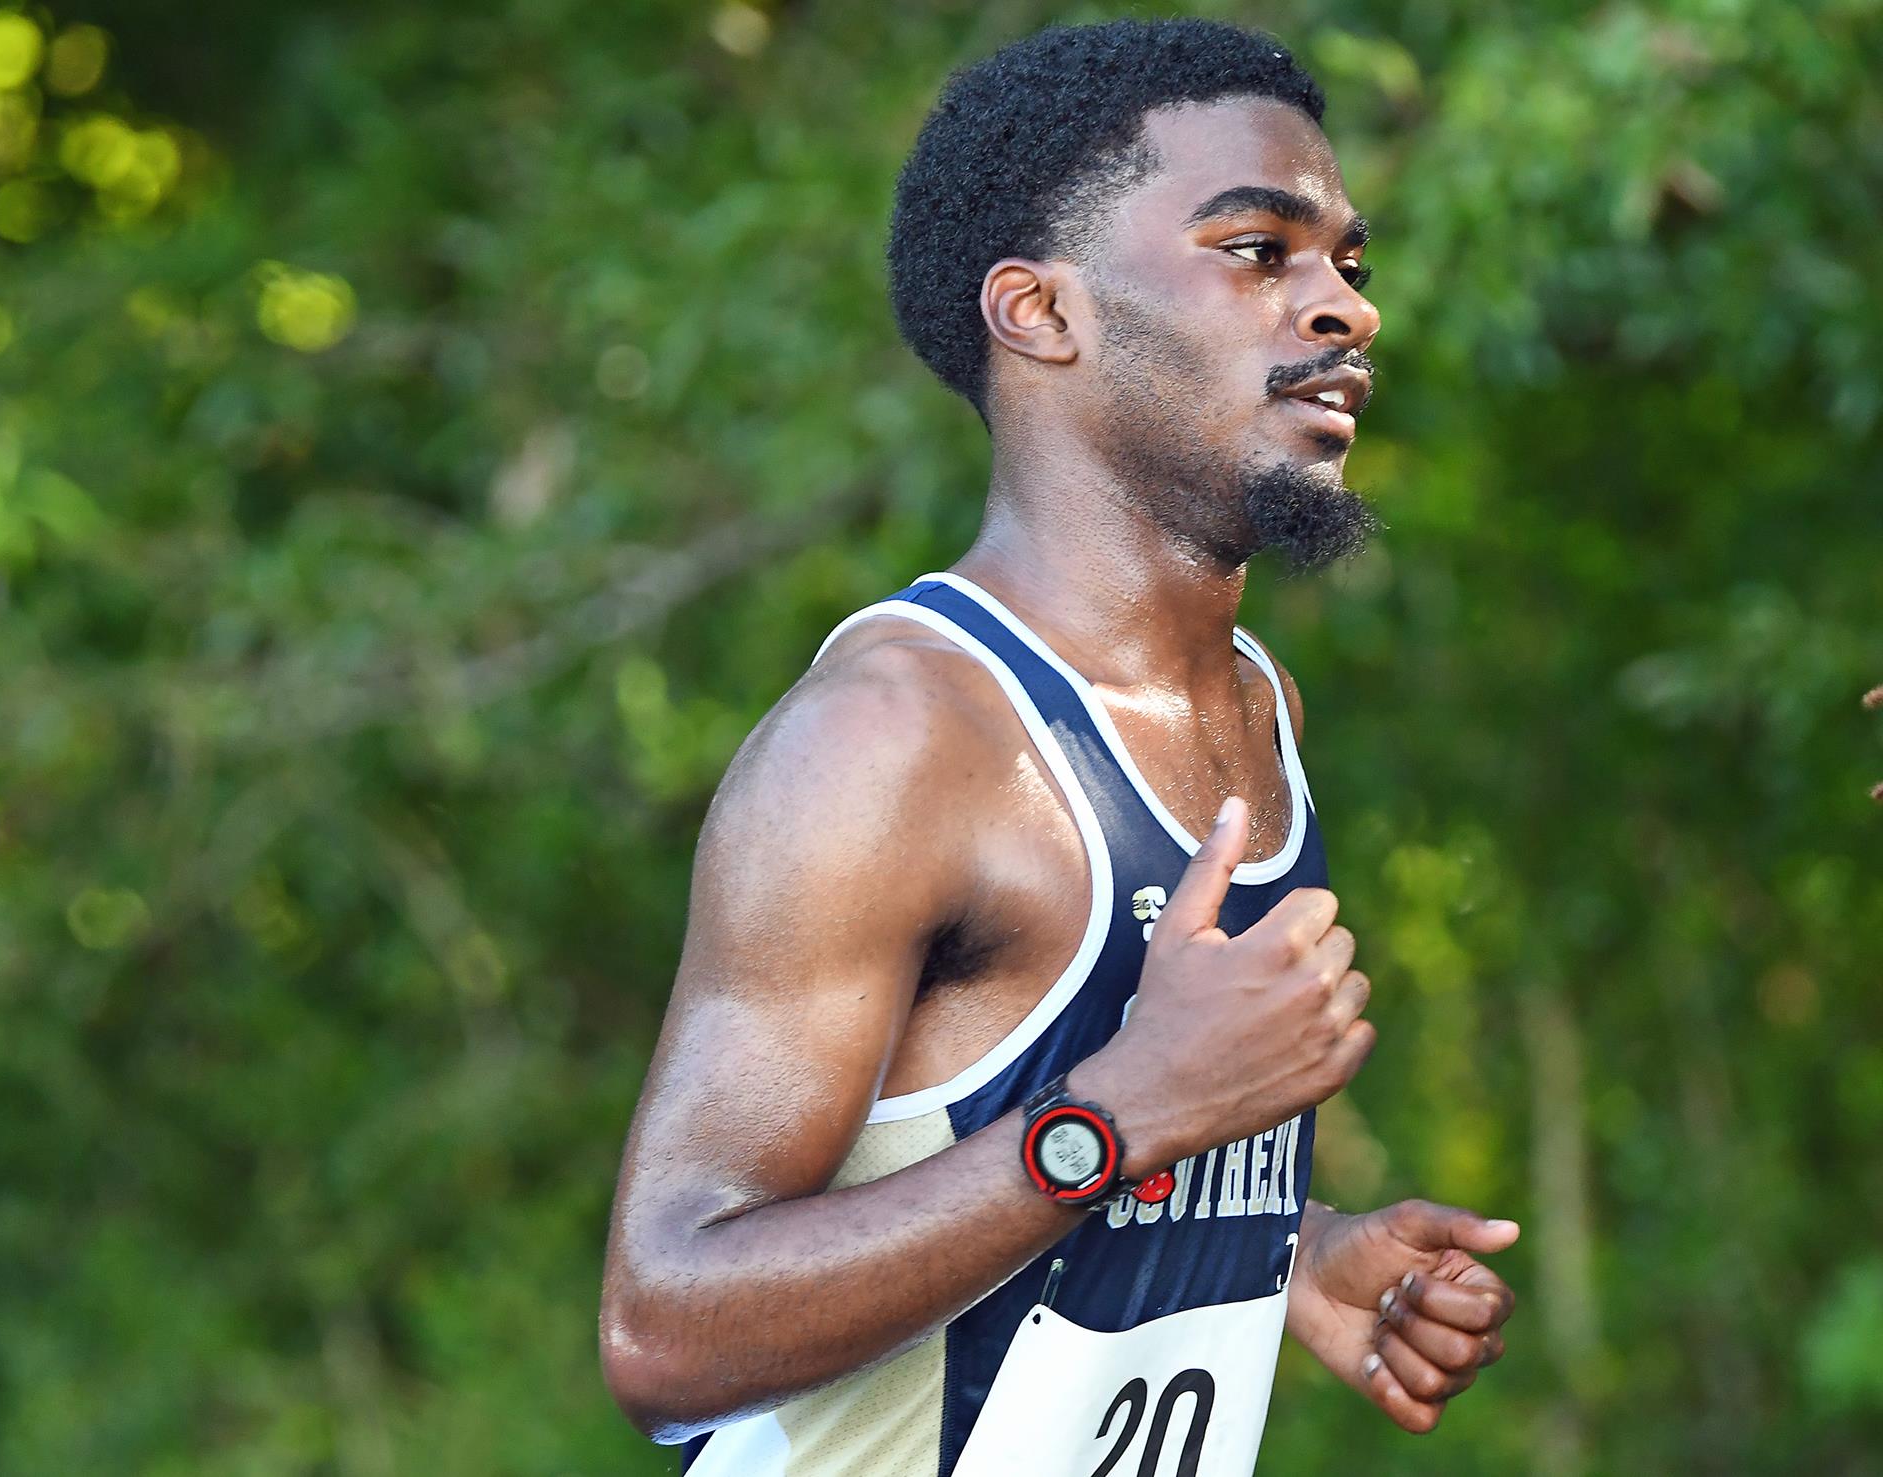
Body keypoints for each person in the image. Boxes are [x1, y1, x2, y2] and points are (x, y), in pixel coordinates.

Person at [601, 19, 1519, 1476]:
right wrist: (1124, 1114)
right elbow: (666, 1330)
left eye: (1349, 260)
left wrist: (1290, 1255)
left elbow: (1066, 1183)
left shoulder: (1257, 706)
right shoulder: (896, 737)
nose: (1346, 308)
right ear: (1039, 311)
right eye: (1258, 250)